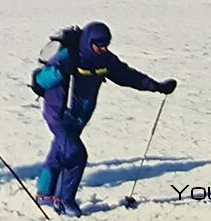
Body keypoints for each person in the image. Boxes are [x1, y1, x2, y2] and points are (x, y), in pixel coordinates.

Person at [33, 21, 177, 217]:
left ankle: (44, 193)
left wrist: (156, 86)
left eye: (106, 44)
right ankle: (65, 200)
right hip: (59, 114)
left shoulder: (105, 60)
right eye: (98, 44)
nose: (103, 48)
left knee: (60, 152)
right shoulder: (70, 56)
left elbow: (127, 75)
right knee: (76, 155)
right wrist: (60, 72)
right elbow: (42, 79)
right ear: (89, 42)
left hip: (79, 117)